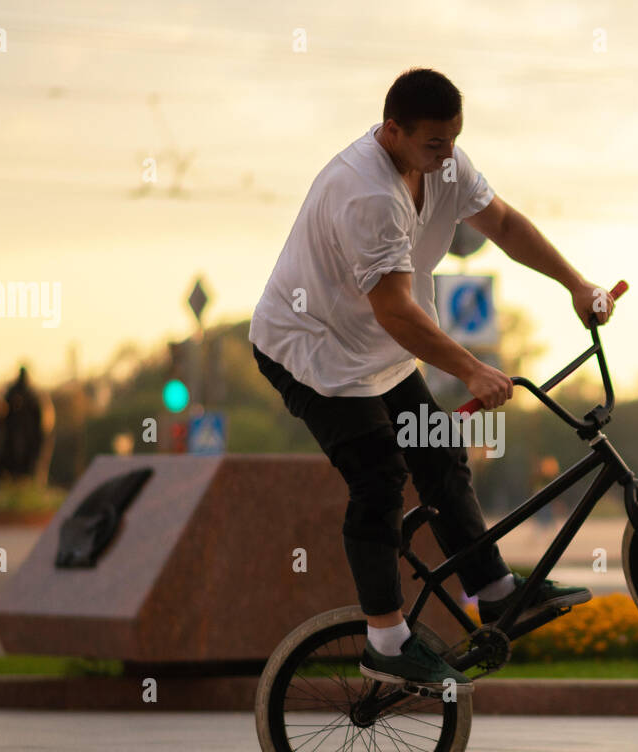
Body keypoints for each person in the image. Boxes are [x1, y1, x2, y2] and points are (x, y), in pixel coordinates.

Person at [249, 68, 613, 692]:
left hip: (381, 349)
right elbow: (392, 308)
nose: (447, 157)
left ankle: (495, 590)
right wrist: (470, 367)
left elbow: (503, 224)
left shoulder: (444, 161)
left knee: (437, 452)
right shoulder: (366, 193)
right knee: (381, 476)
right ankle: (386, 640)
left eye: (454, 141)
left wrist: (577, 285)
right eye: (433, 145)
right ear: (392, 131)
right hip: (311, 353)